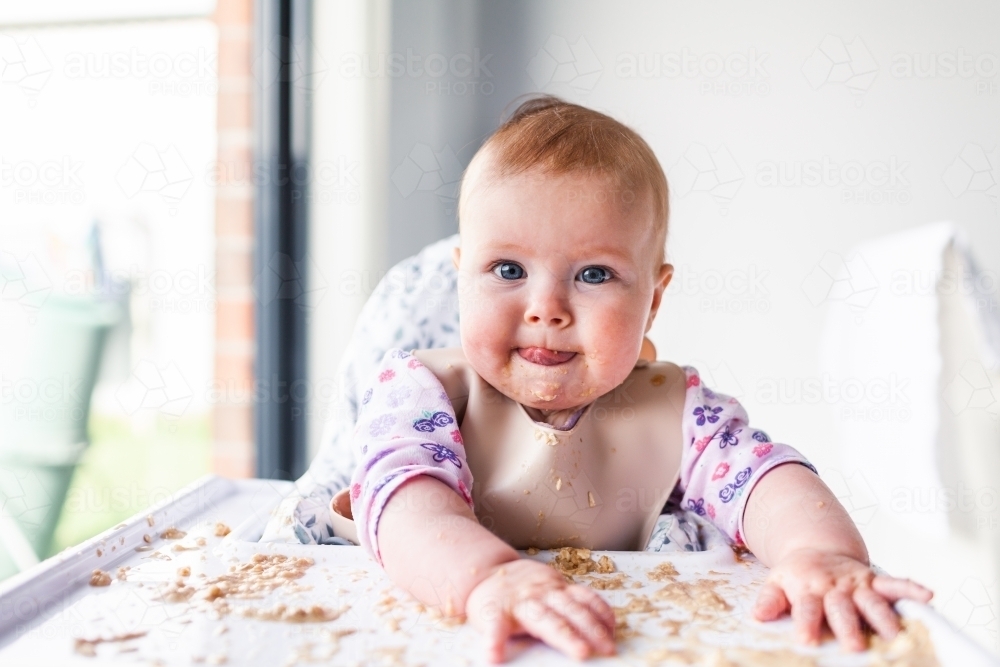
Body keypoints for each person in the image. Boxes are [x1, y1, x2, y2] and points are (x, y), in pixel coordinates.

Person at [343, 96, 933, 663]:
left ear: (653, 301)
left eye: (594, 274)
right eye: (507, 269)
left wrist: (819, 553)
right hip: (453, 635)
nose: (546, 308)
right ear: (461, 278)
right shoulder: (424, 393)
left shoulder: (676, 412)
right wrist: (488, 579)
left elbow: (765, 479)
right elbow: (406, 507)